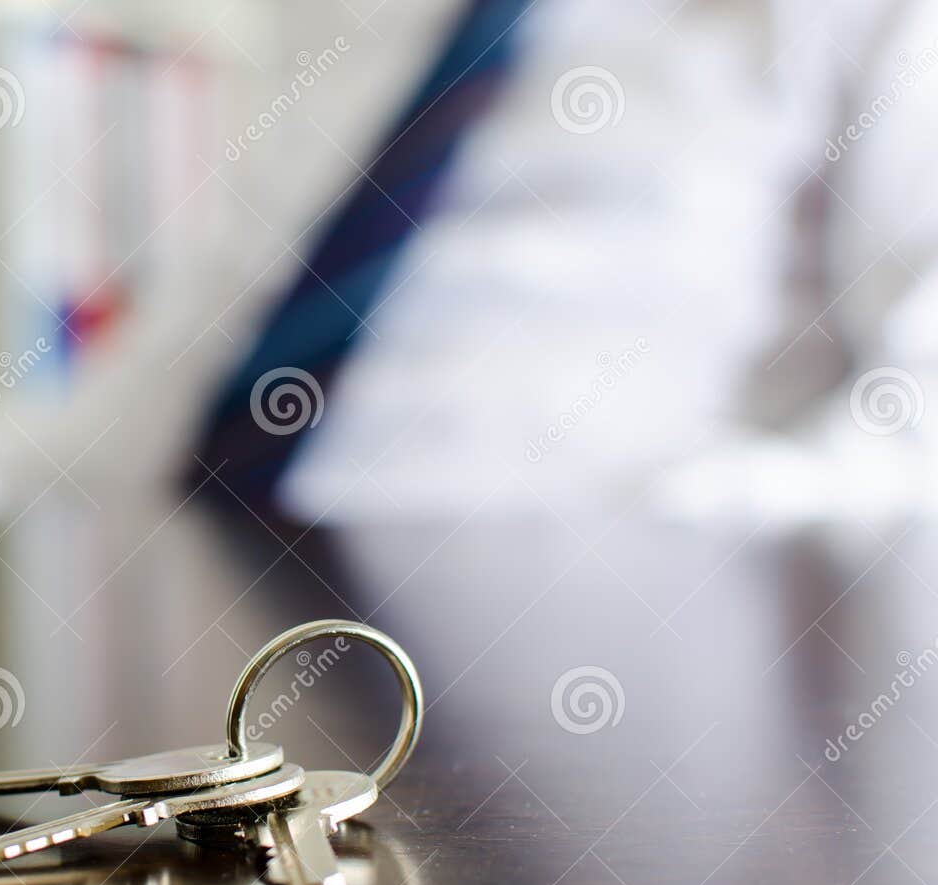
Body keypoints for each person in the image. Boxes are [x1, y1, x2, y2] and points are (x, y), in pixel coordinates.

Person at [69, 0, 938, 522]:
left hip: (585, 621)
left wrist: (674, 528)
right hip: (189, 546)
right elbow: (211, 308)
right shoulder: (354, 26)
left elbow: (911, 424)